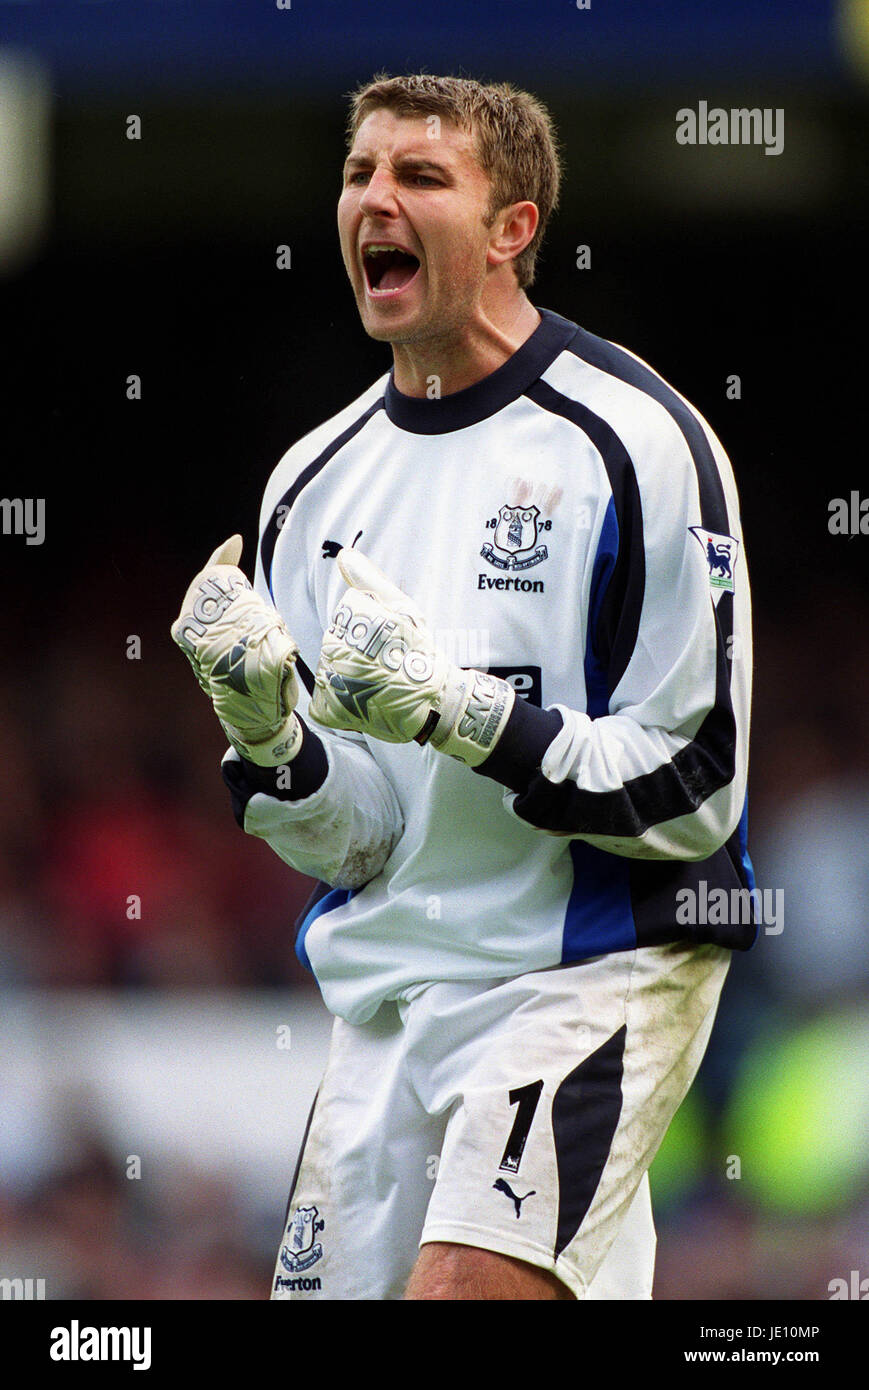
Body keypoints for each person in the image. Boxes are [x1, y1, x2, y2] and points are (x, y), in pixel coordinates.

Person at [171, 73, 756, 1301]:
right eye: (359, 174)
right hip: (389, 996)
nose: (374, 200)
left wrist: (460, 710)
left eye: (420, 176)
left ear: (512, 230)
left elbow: (697, 788)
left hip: (586, 969)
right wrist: (266, 737)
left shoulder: (636, 441)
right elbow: (366, 835)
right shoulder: (308, 483)